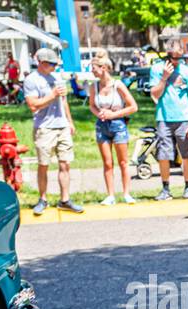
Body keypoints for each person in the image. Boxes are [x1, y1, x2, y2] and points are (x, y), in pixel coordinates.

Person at [22, 48, 82, 215]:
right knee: (43, 165)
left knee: (65, 163)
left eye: (56, 64)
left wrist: (69, 121)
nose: (55, 67)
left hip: (61, 125)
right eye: (52, 64)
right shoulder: (31, 80)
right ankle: (43, 199)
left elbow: (64, 102)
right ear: (41, 63)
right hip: (44, 127)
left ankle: (65, 200)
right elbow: (33, 105)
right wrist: (52, 94)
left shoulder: (57, 78)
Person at [149, 40, 188, 200]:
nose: (176, 61)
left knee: (187, 154)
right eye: (173, 57)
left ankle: (187, 187)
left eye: (180, 57)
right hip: (164, 118)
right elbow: (155, 94)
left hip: (185, 119)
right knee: (164, 154)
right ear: (167, 55)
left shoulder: (187, 71)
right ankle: (165, 189)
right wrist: (164, 77)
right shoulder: (157, 69)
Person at [88, 51, 138, 205]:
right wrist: (99, 114)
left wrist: (113, 114)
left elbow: (133, 107)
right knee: (107, 163)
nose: (92, 71)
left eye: (94, 68)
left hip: (118, 125)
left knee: (123, 162)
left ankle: (126, 194)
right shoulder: (93, 86)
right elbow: (91, 106)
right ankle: (110, 195)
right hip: (101, 126)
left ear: (103, 68)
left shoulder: (118, 85)